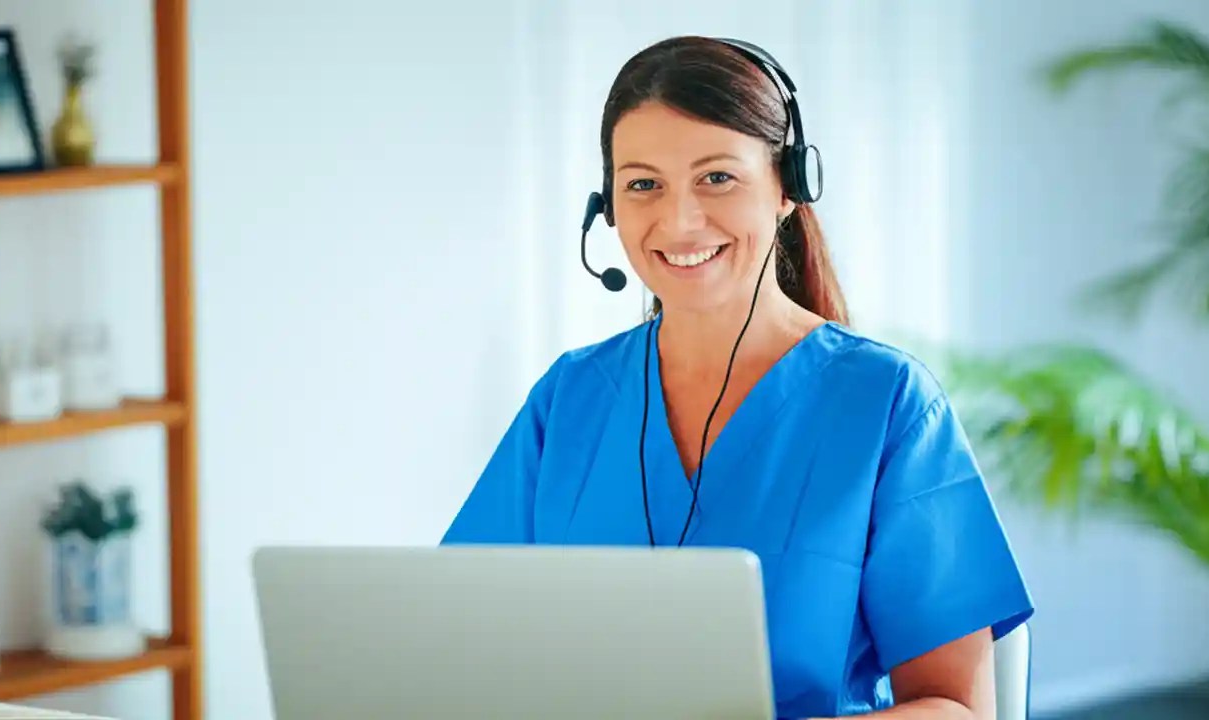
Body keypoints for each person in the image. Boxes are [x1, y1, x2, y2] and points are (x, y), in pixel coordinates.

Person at [442, 35, 1034, 720]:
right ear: (608, 207)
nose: (680, 221)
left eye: (717, 177)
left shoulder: (887, 403)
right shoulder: (569, 399)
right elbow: (457, 643)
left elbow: (956, 708)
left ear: (788, 188)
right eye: (643, 185)